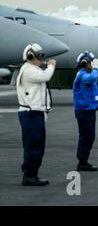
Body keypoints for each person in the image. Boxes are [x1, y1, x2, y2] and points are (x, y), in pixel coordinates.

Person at [16, 43, 56, 186]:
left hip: (35, 112)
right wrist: (51, 65)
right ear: (31, 56)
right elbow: (45, 76)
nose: (41, 58)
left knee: (38, 146)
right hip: (30, 113)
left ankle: (33, 174)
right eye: (39, 55)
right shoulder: (28, 70)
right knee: (33, 145)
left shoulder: (33, 69)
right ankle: (29, 175)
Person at [73, 51, 98, 171]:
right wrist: (96, 68)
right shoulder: (82, 75)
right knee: (86, 136)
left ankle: (83, 160)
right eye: (91, 62)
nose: (92, 64)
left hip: (89, 109)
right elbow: (92, 77)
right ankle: (82, 161)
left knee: (89, 136)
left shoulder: (85, 74)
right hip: (84, 111)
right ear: (85, 63)